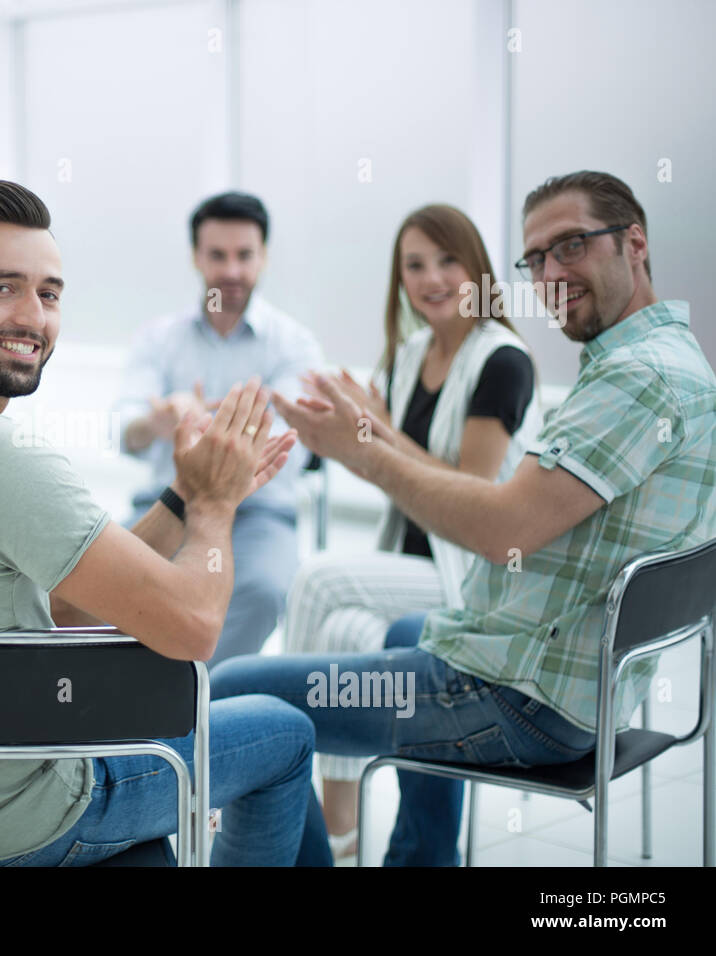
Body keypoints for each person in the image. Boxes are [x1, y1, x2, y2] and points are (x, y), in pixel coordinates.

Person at [214, 170, 716, 865]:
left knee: (237, 693)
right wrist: (368, 433)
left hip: (520, 701)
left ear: (635, 242)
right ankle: (422, 857)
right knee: (403, 628)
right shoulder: (654, 359)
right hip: (552, 675)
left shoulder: (637, 377)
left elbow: (501, 527)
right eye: (536, 257)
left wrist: (361, 451)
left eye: (570, 246)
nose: (550, 273)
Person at [0, 179, 329, 867]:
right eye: (2, 288)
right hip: (16, 820)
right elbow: (195, 627)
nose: (32, 316)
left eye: (49, 293)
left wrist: (183, 494)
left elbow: (69, 603)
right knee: (286, 732)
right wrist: (215, 507)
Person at [282, 204, 540, 857]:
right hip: (415, 559)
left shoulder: (502, 362)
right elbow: (389, 476)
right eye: (414, 265)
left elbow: (474, 497)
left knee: (315, 580)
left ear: (476, 265)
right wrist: (338, 436)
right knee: (338, 630)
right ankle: (346, 824)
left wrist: (377, 436)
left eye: (447, 260)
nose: (431, 278)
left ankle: (324, 815)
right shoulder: (408, 355)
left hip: (479, 567)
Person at [114, 192, 324, 665]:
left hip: (259, 514)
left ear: (264, 256)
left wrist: (205, 435)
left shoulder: (294, 345)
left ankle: (193, 699)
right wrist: (160, 420)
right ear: (196, 258)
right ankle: (147, 697)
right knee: (102, 584)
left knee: (267, 591)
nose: (232, 270)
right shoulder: (158, 339)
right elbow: (124, 431)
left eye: (245, 255)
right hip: (167, 504)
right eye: (217, 255)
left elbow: (296, 440)